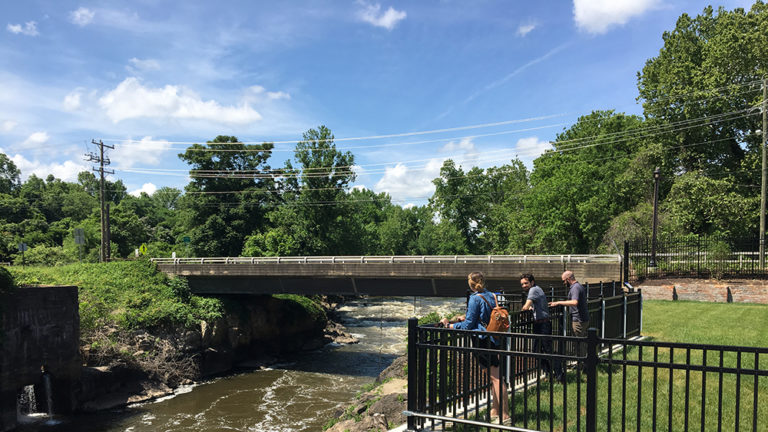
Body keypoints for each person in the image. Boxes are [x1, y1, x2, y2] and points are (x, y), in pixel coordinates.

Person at [440, 271, 508, 423]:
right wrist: (469, 317)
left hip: (483, 340)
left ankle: (505, 416)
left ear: (470, 284)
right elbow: (486, 316)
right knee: (495, 377)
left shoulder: (474, 298)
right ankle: (495, 411)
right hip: (495, 338)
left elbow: (468, 325)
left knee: (496, 379)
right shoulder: (492, 295)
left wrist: (449, 325)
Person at [520, 273, 563, 382]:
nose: (524, 286)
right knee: (537, 350)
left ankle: (559, 375)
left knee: (547, 350)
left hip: (543, 324)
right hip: (540, 323)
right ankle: (549, 373)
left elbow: (526, 306)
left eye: (526, 283)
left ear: (532, 282)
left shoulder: (533, 290)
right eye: (522, 284)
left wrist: (524, 309)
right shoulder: (536, 289)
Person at [549, 270, 589, 357]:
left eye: (564, 281)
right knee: (580, 342)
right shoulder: (578, 286)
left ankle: (582, 365)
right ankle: (583, 362)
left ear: (568, 279)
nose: (563, 283)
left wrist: (559, 303)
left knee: (578, 343)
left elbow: (574, 302)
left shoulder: (575, 288)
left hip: (578, 320)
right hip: (582, 318)